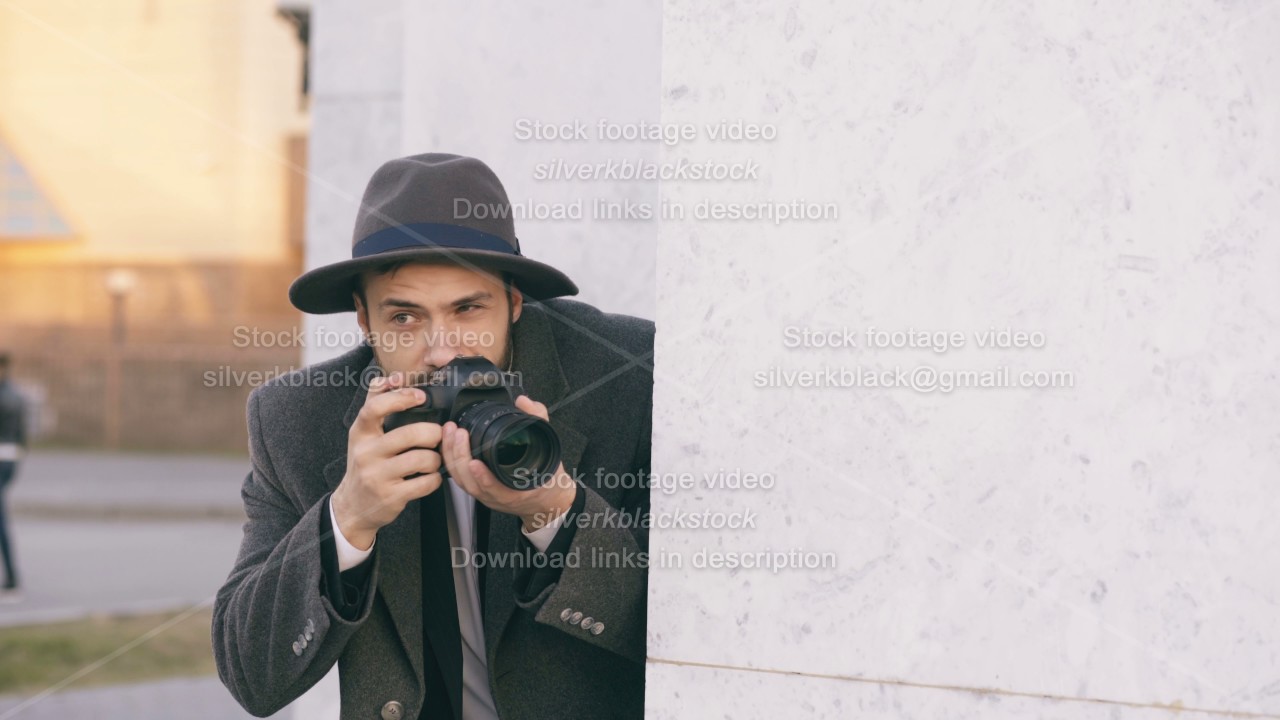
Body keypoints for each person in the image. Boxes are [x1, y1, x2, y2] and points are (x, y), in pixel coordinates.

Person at [213, 154, 653, 719]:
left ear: (515, 303)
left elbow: (692, 632)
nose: (442, 348)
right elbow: (252, 678)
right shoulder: (297, 419)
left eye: (468, 309)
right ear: (364, 321)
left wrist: (556, 515)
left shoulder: (628, 376)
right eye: (404, 318)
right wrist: (347, 518)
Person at [0, 351, 27, 599]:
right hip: (10, 460)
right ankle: (11, 577)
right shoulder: (18, 396)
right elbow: (23, 438)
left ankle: (12, 577)